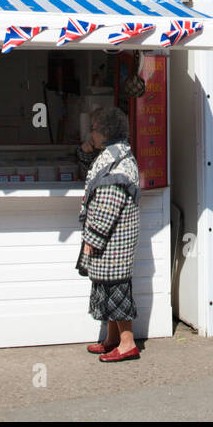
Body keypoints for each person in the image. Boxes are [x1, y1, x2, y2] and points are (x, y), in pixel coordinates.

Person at [77, 106, 142, 362]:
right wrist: (84, 152)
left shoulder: (116, 168)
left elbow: (106, 209)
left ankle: (127, 343)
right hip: (114, 241)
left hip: (114, 241)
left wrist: (91, 240)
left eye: (94, 130)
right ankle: (113, 339)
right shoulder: (115, 158)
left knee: (117, 289)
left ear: (105, 133)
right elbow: (91, 173)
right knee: (109, 287)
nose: (91, 134)